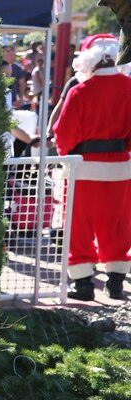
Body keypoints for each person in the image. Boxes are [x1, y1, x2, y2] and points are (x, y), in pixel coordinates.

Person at [52, 34, 131, 301]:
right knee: (118, 225)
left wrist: (65, 155)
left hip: (83, 169)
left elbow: (64, 134)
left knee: (79, 226)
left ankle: (83, 285)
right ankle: (116, 283)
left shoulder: (80, 91)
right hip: (121, 168)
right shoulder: (129, 87)